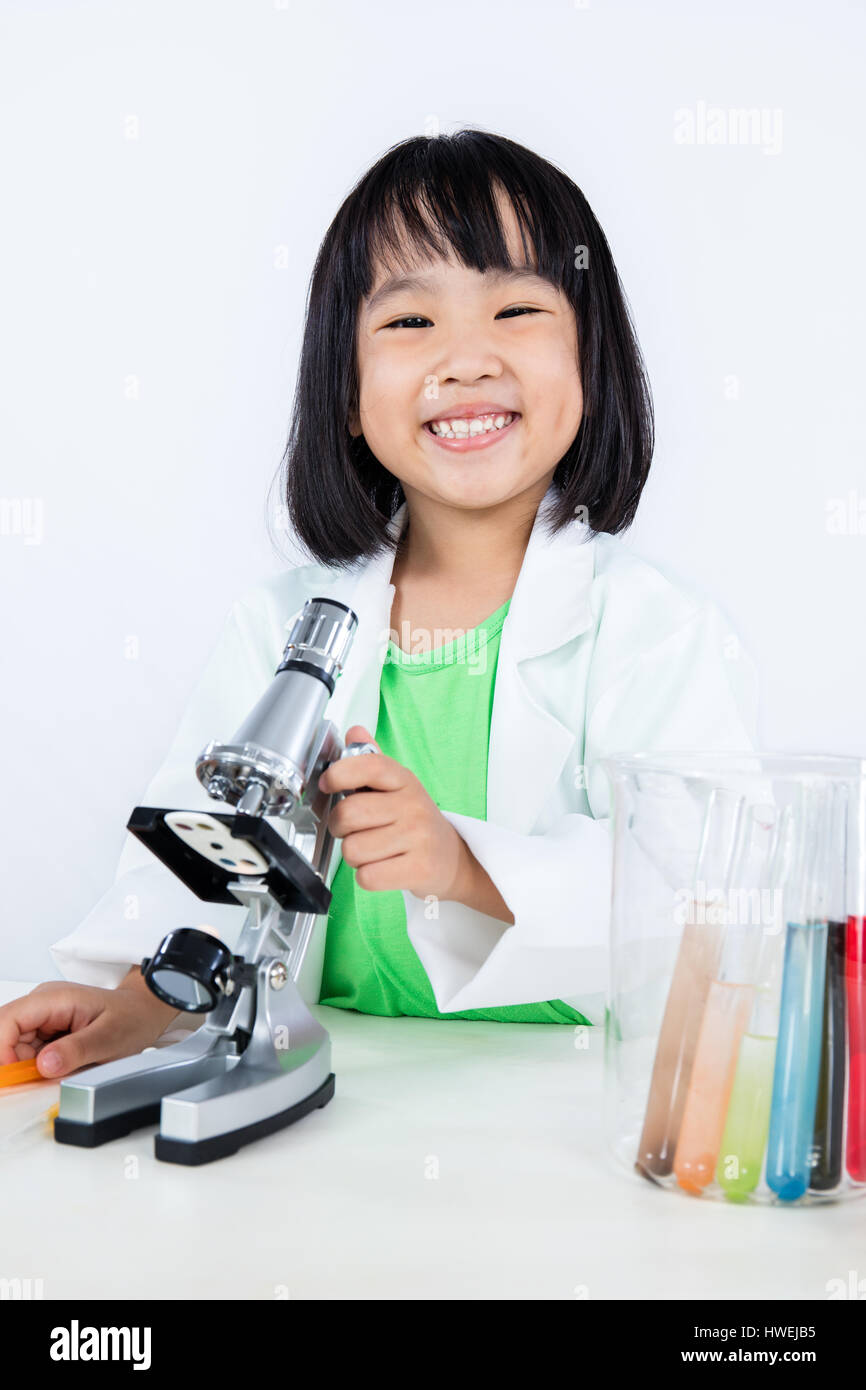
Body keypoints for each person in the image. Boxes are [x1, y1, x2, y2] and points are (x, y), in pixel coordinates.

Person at [0, 128, 758, 1078]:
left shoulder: (656, 633)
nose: (468, 358)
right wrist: (134, 1001)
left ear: (592, 364)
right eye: (409, 323)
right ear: (349, 393)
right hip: (338, 1093)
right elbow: (200, 857)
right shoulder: (277, 628)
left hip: (567, 1103)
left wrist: (462, 867)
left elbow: (704, 908)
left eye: (518, 308)